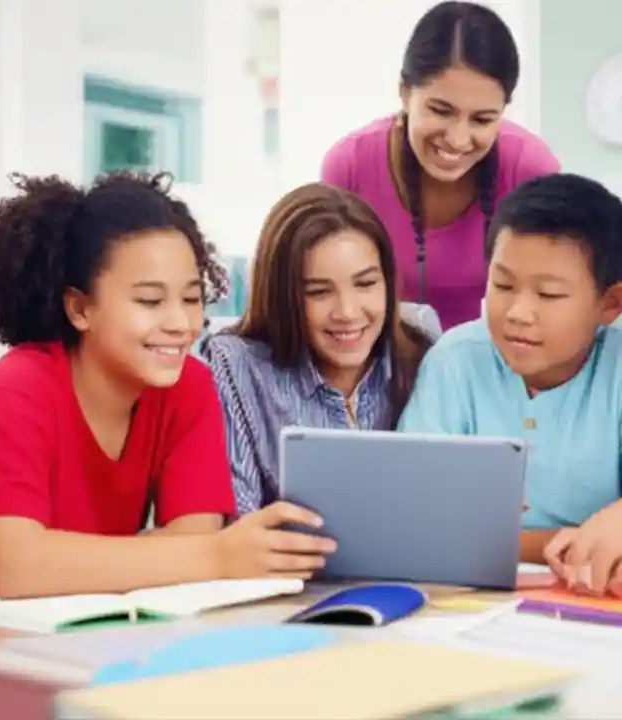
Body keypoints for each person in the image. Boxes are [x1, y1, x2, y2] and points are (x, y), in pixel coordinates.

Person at [0, 171, 336, 598]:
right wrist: (218, 556)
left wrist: (68, 560)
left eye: (191, 298)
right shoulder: (17, 389)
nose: (180, 324)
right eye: (150, 301)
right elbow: (17, 568)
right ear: (79, 308)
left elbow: (192, 537)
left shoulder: (189, 384)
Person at [397, 173, 622, 573]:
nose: (517, 313)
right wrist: (562, 544)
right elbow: (413, 518)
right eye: (502, 284)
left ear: (611, 303)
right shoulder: (456, 360)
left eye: (548, 294)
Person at [321, 0, 559, 330]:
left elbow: (553, 305)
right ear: (405, 93)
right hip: (378, 366)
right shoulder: (349, 166)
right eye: (441, 111)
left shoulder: (531, 170)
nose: (459, 139)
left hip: (500, 370)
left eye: (482, 119)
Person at [201, 184, 433, 516]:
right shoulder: (236, 364)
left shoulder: (423, 347)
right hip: (284, 568)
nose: (348, 312)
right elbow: (237, 524)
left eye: (366, 284)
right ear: (283, 297)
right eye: (319, 292)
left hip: (416, 566)